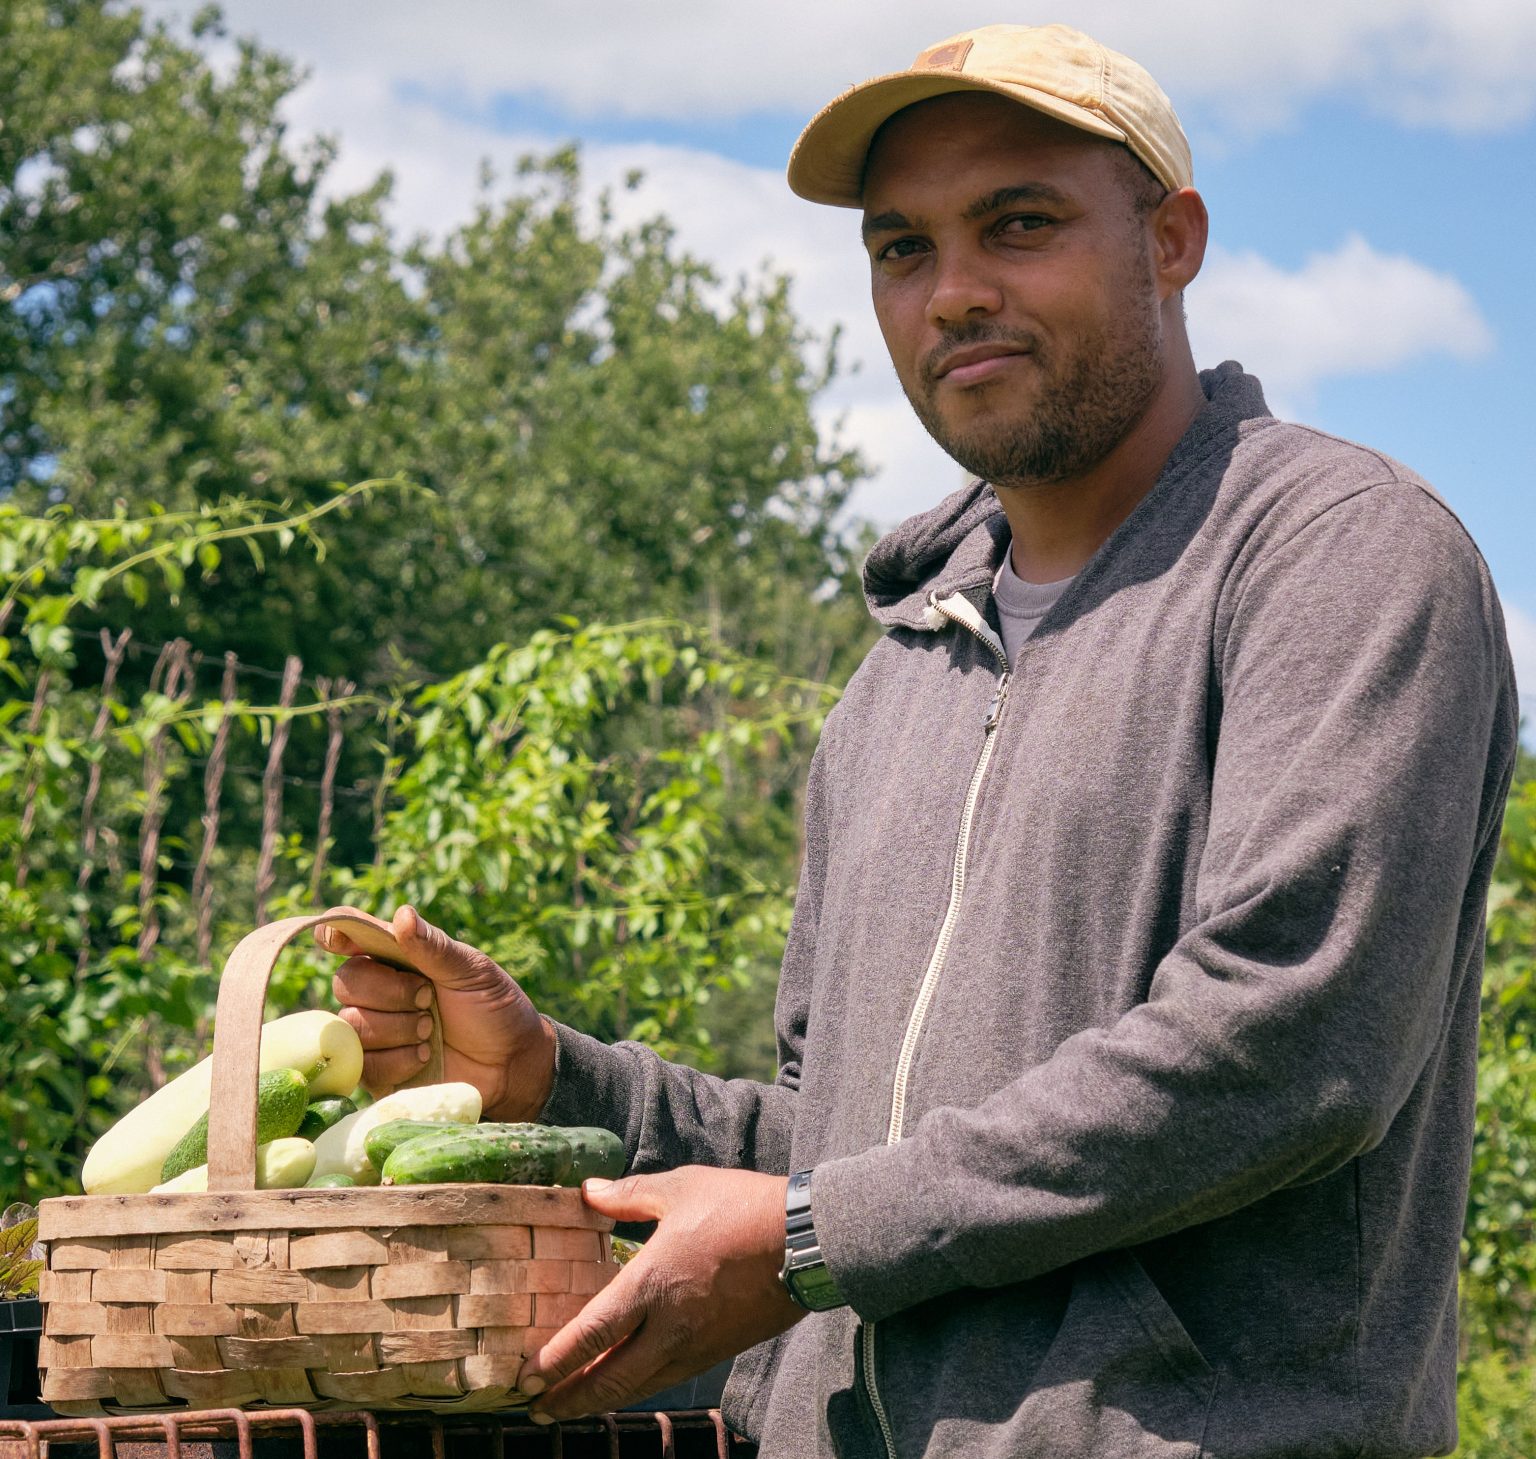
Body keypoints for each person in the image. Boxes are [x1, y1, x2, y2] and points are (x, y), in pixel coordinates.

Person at [323, 24, 1519, 1459]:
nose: (954, 293)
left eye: (1019, 224)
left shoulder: (1334, 562)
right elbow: (833, 1142)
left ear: (1172, 239)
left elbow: (1286, 1045)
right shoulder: (901, 675)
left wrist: (815, 1238)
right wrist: (558, 1086)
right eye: (902, 249)